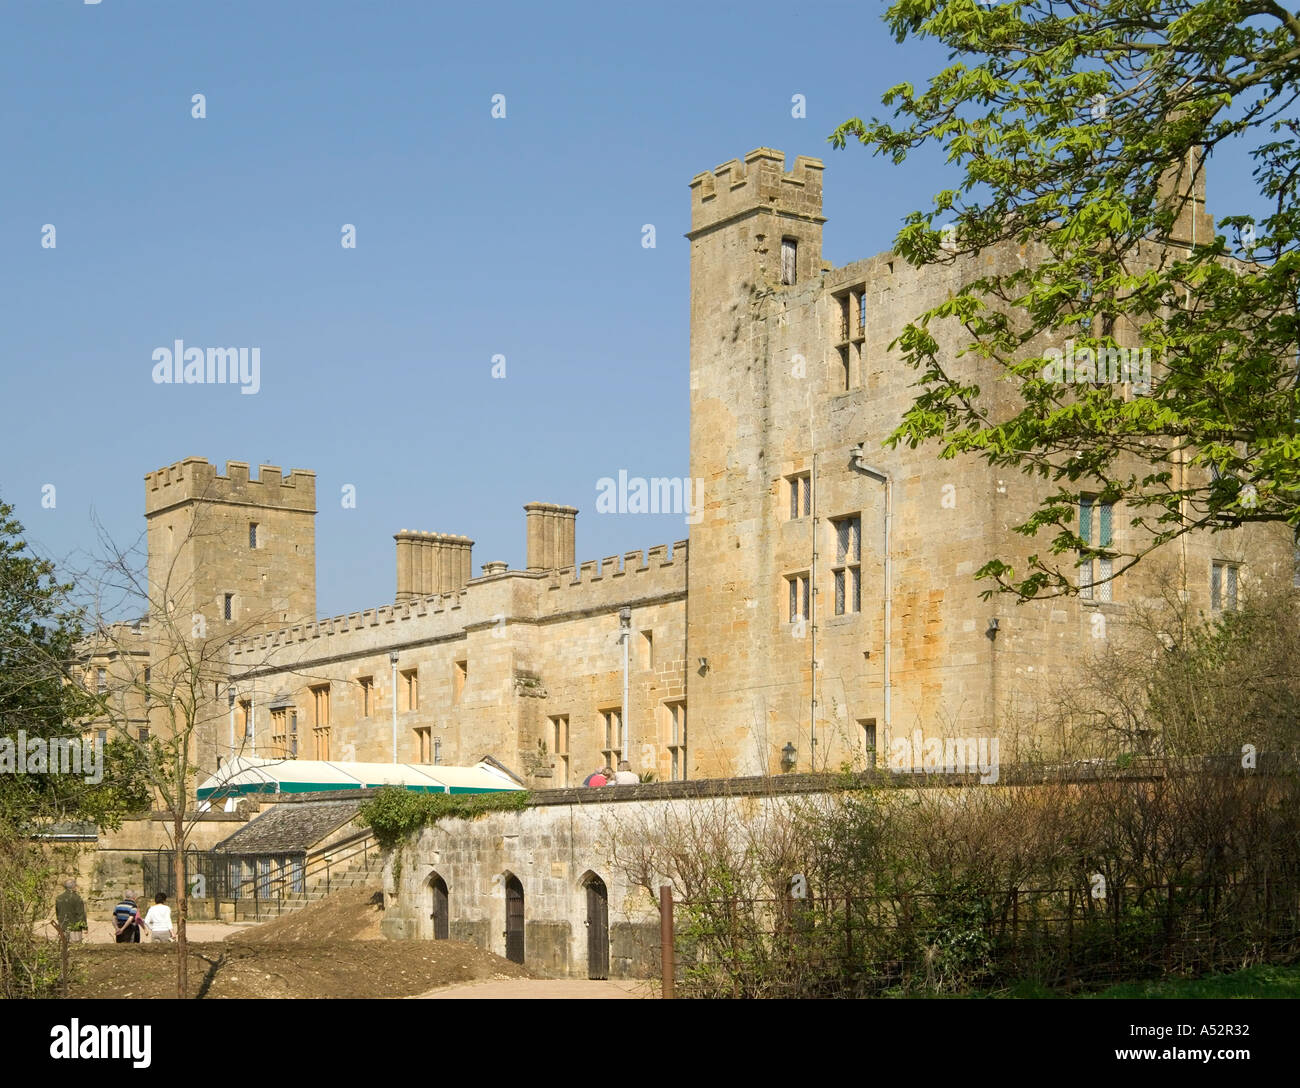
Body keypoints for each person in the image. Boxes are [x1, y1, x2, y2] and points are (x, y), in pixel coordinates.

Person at [55, 879, 87, 944]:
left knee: (64, 947)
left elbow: (57, 913)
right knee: (76, 947)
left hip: (63, 927)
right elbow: (81, 914)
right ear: (74, 887)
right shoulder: (77, 898)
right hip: (75, 928)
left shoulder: (59, 898)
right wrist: (84, 927)